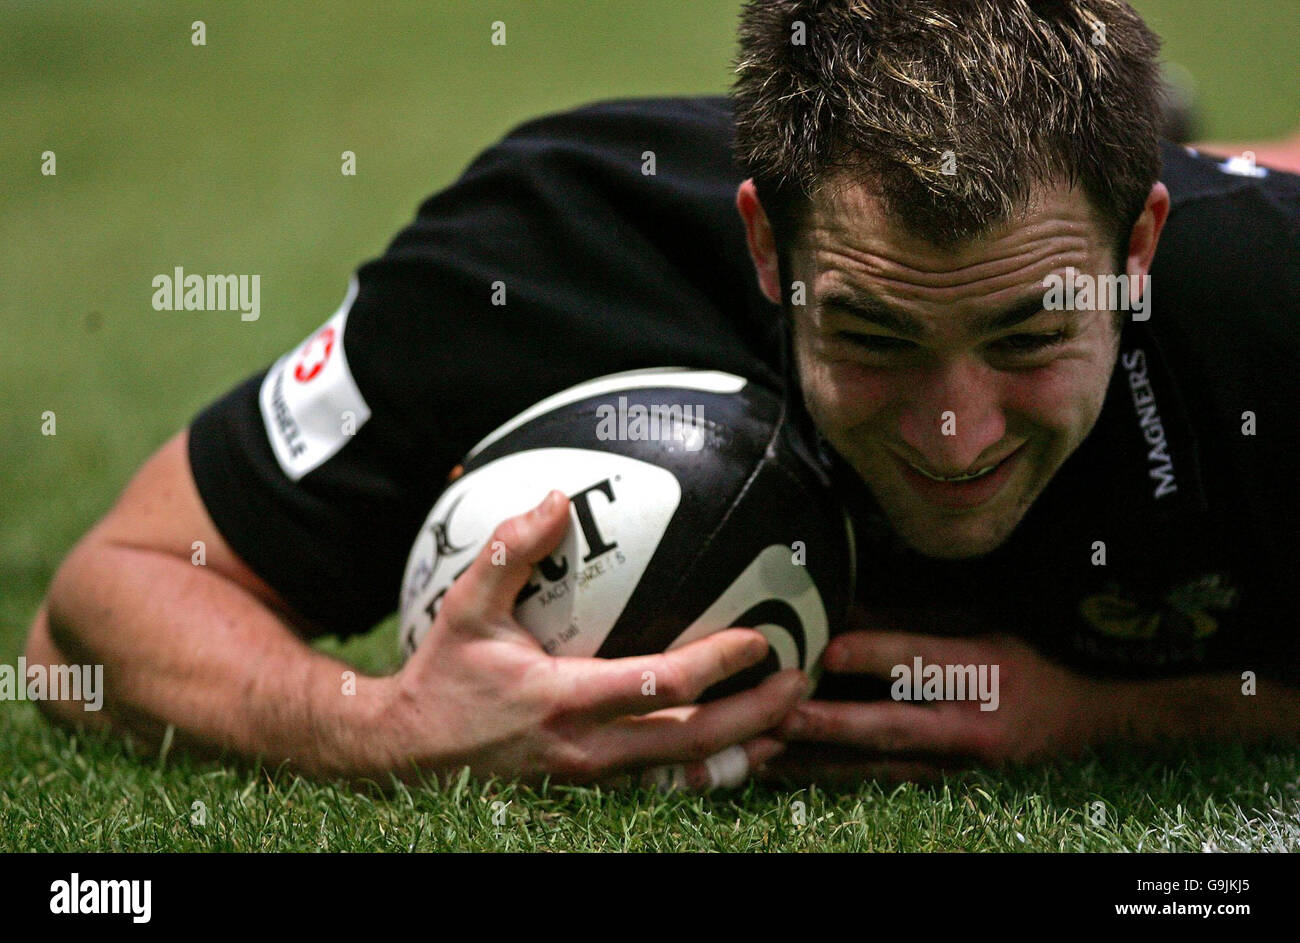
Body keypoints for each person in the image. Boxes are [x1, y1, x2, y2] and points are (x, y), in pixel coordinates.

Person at [28, 0, 1300, 788]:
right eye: (873, 332)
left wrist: (1119, 711)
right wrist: (376, 727)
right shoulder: (546, 256)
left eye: (1027, 336)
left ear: (1136, 249)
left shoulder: (1259, 302)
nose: (954, 432)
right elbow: (95, 611)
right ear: (766, 246)